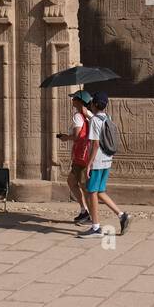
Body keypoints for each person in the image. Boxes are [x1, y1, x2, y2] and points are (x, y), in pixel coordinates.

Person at [79, 91, 129, 238]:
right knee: (100, 191)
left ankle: (96, 227)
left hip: (97, 161)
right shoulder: (107, 117)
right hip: (107, 159)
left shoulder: (94, 120)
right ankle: (122, 215)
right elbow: (95, 118)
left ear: (94, 104)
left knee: (91, 192)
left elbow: (95, 144)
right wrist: (86, 111)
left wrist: (89, 164)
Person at [55, 90, 92, 224]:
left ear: (78, 101)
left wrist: (66, 138)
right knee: (72, 182)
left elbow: (77, 135)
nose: (72, 101)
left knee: (84, 187)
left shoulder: (78, 116)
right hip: (86, 154)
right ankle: (84, 211)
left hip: (80, 156)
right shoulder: (90, 115)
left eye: (74, 98)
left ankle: (91, 216)